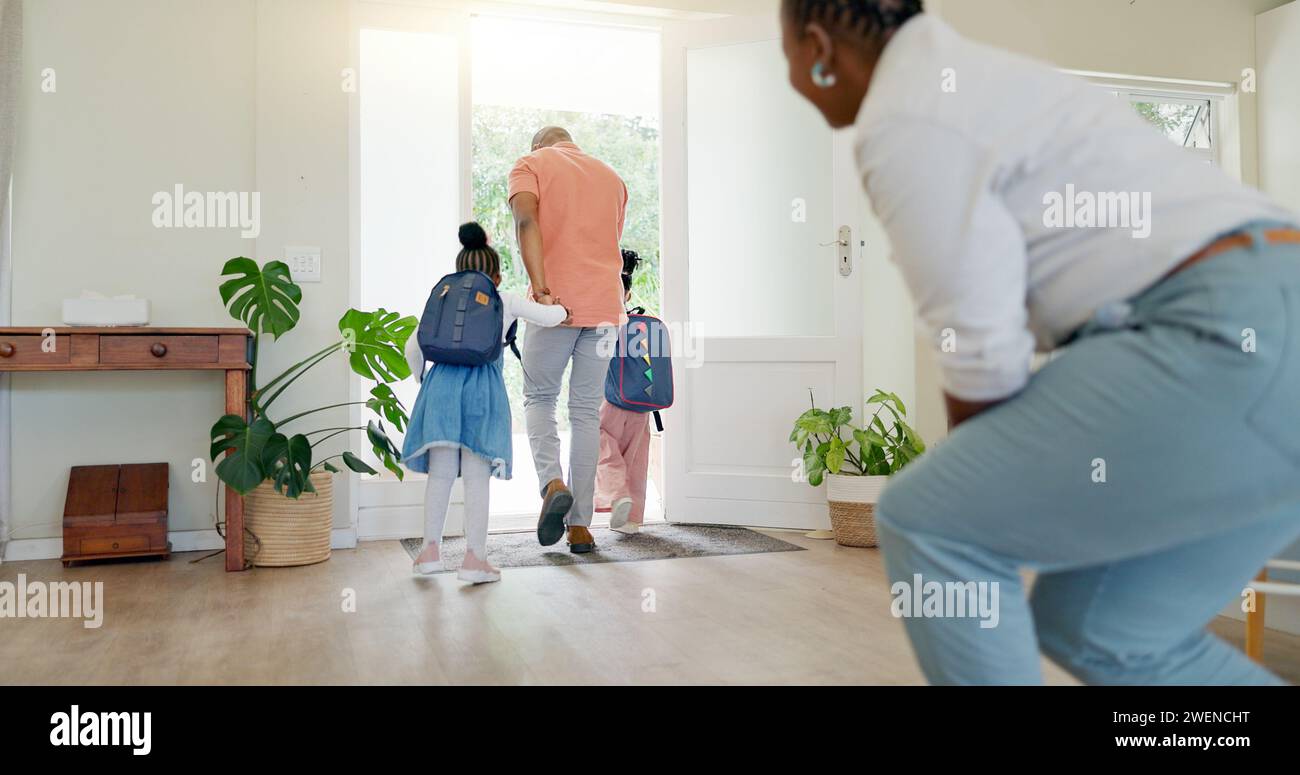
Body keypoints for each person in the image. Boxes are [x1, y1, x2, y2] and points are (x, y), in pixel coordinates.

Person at [779, 0, 1300, 684]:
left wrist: (983, 498)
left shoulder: (905, 116)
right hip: (1262, 328)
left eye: (783, 49)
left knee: (929, 521)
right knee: (1104, 630)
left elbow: (983, 350)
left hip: (1226, 333)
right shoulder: (978, 80)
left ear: (817, 43)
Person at [401, 223, 570, 584]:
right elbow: (552, 318)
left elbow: (412, 349)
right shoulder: (502, 298)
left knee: (441, 474)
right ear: (495, 274)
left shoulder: (444, 295)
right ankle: (474, 560)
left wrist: (424, 381)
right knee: (477, 479)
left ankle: (429, 553)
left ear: (460, 265)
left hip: (440, 391)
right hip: (481, 392)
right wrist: (557, 306)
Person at [508, 126, 629, 554]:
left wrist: (540, 289)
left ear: (538, 146)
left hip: (554, 304)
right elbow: (609, 245)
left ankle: (551, 484)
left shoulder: (531, 164)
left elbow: (526, 220)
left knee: (539, 399)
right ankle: (580, 527)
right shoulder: (612, 178)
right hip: (604, 307)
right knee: (584, 413)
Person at [595, 252, 651, 536]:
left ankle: (617, 494)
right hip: (642, 404)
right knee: (636, 458)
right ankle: (631, 520)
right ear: (627, 294)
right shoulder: (646, 324)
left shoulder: (601, 327)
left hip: (611, 400)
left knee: (602, 445)